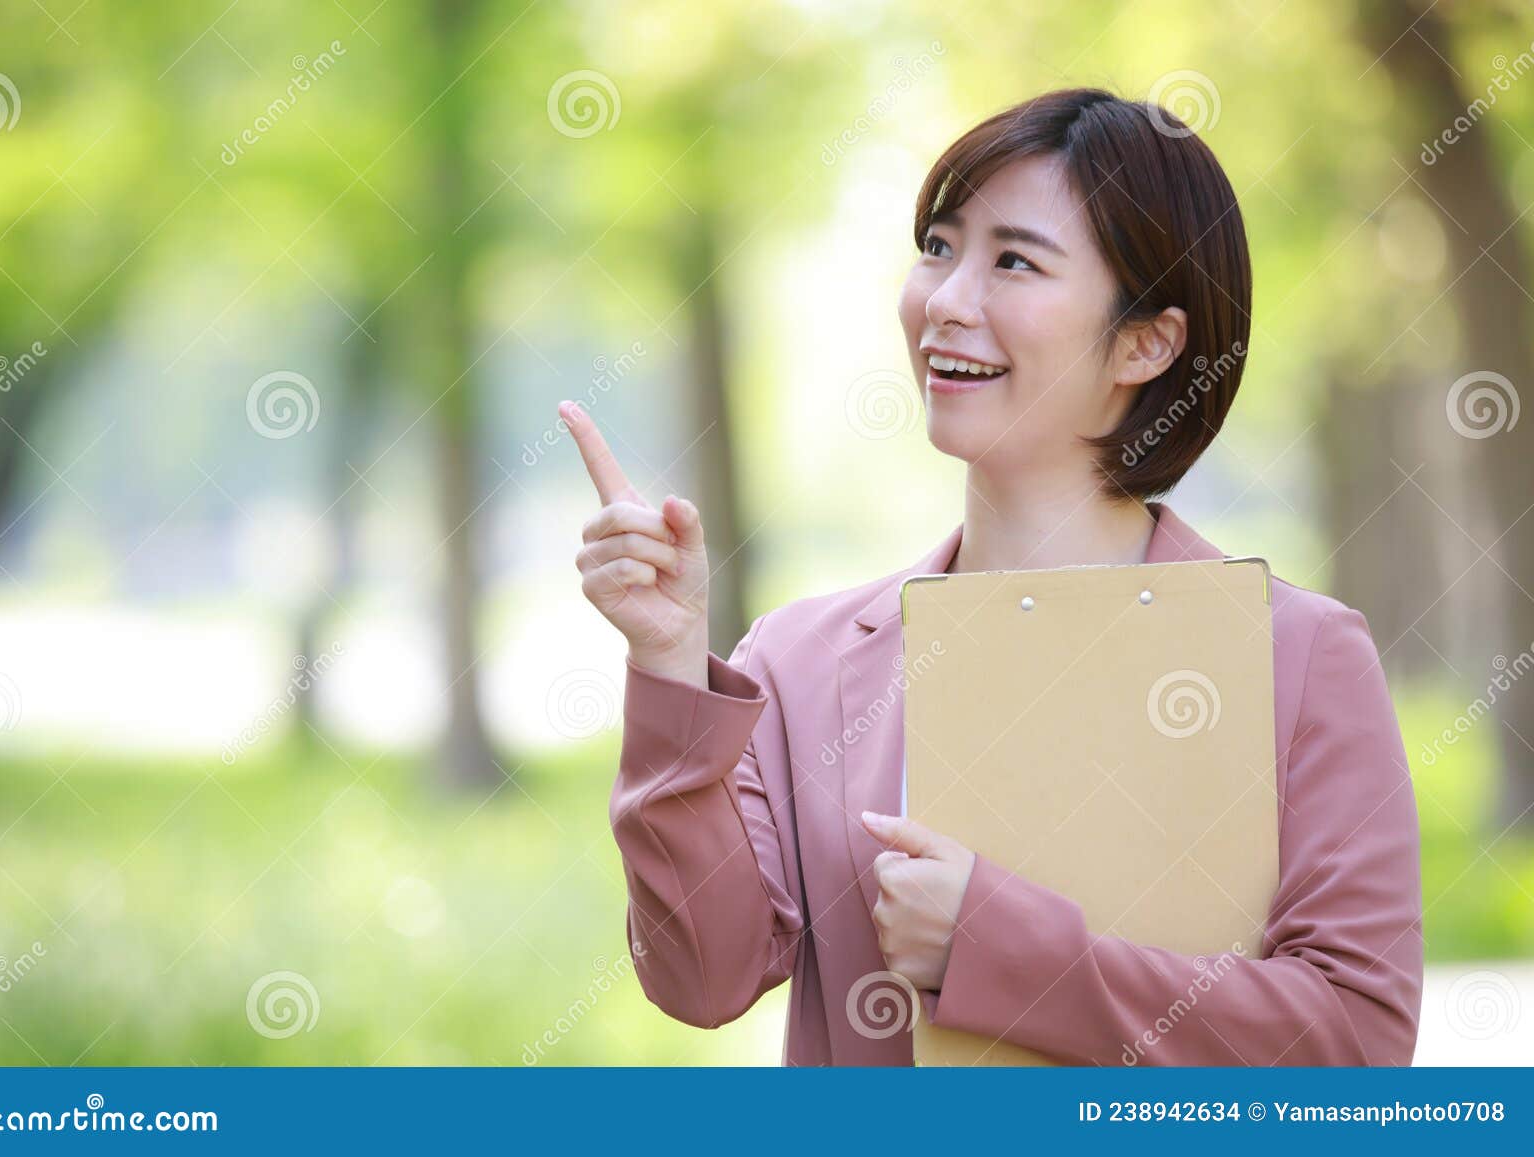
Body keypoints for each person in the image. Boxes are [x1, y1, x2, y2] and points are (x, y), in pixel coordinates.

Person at [562, 88, 1422, 1066]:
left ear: (1147, 342)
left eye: (1013, 259)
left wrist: (1001, 947)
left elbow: (1356, 1040)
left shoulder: (1295, 655)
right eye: (938, 245)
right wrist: (670, 661)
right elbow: (701, 978)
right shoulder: (798, 665)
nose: (946, 300)